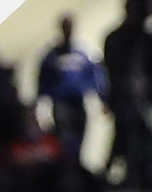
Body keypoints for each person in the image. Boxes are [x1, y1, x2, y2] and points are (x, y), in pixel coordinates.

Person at [35, 13, 106, 161]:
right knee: (64, 138)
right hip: (61, 103)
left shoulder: (82, 55)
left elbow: (94, 76)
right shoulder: (52, 56)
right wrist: (41, 102)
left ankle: (76, 165)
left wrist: (101, 98)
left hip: (79, 102)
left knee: (80, 136)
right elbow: (43, 80)